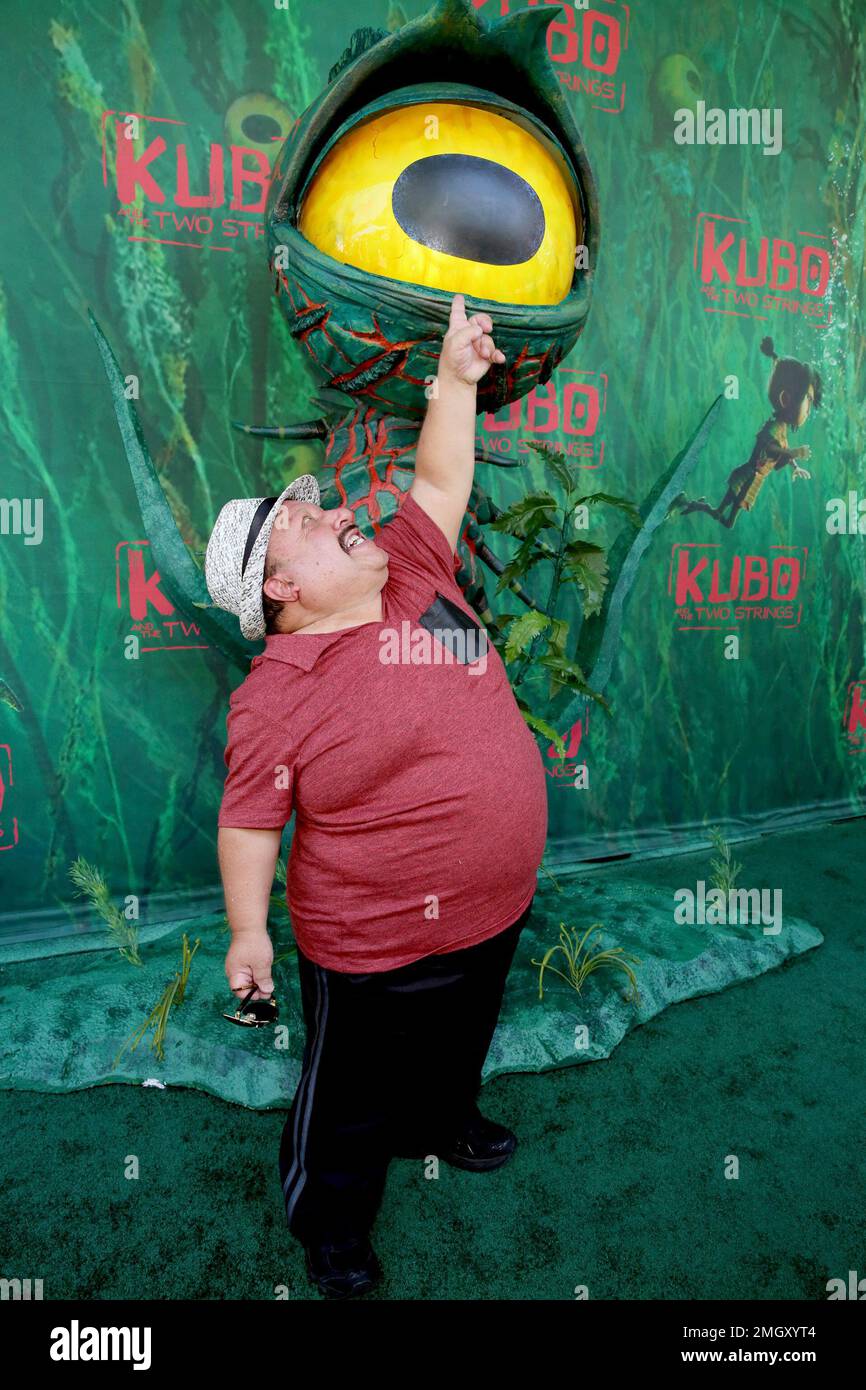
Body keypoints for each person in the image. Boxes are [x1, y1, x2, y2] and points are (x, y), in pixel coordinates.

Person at [204, 293, 548, 1298]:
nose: (339, 511)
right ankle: (331, 1220)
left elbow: (439, 473)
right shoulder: (276, 697)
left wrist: (456, 370)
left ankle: (441, 1117)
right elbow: (250, 818)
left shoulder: (405, 568)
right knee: (343, 1099)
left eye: (323, 507)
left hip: (491, 911)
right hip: (371, 943)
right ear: (280, 592)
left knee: (461, 1037)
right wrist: (246, 932)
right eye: (311, 525)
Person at [675, 337, 822, 528]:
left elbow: (780, 448)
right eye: (808, 400)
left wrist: (795, 466)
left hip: (755, 481)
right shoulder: (773, 427)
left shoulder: (782, 431)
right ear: (786, 398)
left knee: (728, 521)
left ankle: (695, 504)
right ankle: (689, 503)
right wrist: (792, 453)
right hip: (746, 476)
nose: (809, 408)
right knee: (724, 517)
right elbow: (769, 446)